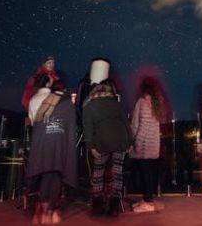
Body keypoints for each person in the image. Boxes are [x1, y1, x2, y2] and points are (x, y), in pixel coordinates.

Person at [25, 80, 78, 225]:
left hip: (42, 145)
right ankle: (50, 212)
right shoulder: (67, 104)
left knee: (45, 175)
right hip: (59, 144)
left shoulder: (44, 102)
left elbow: (35, 123)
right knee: (55, 175)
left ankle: (41, 212)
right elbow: (71, 128)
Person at [82, 78, 132, 217]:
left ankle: (98, 206)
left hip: (102, 141)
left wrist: (91, 146)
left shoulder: (89, 105)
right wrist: (130, 142)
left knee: (98, 172)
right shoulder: (116, 104)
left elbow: (88, 128)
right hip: (120, 141)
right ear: (109, 92)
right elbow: (126, 124)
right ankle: (114, 206)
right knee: (117, 172)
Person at [129, 76, 165, 213]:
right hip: (152, 144)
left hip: (144, 145)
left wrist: (136, 143)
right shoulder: (155, 102)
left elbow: (143, 125)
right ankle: (147, 199)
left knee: (145, 175)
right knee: (148, 174)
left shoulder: (143, 101)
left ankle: (148, 202)